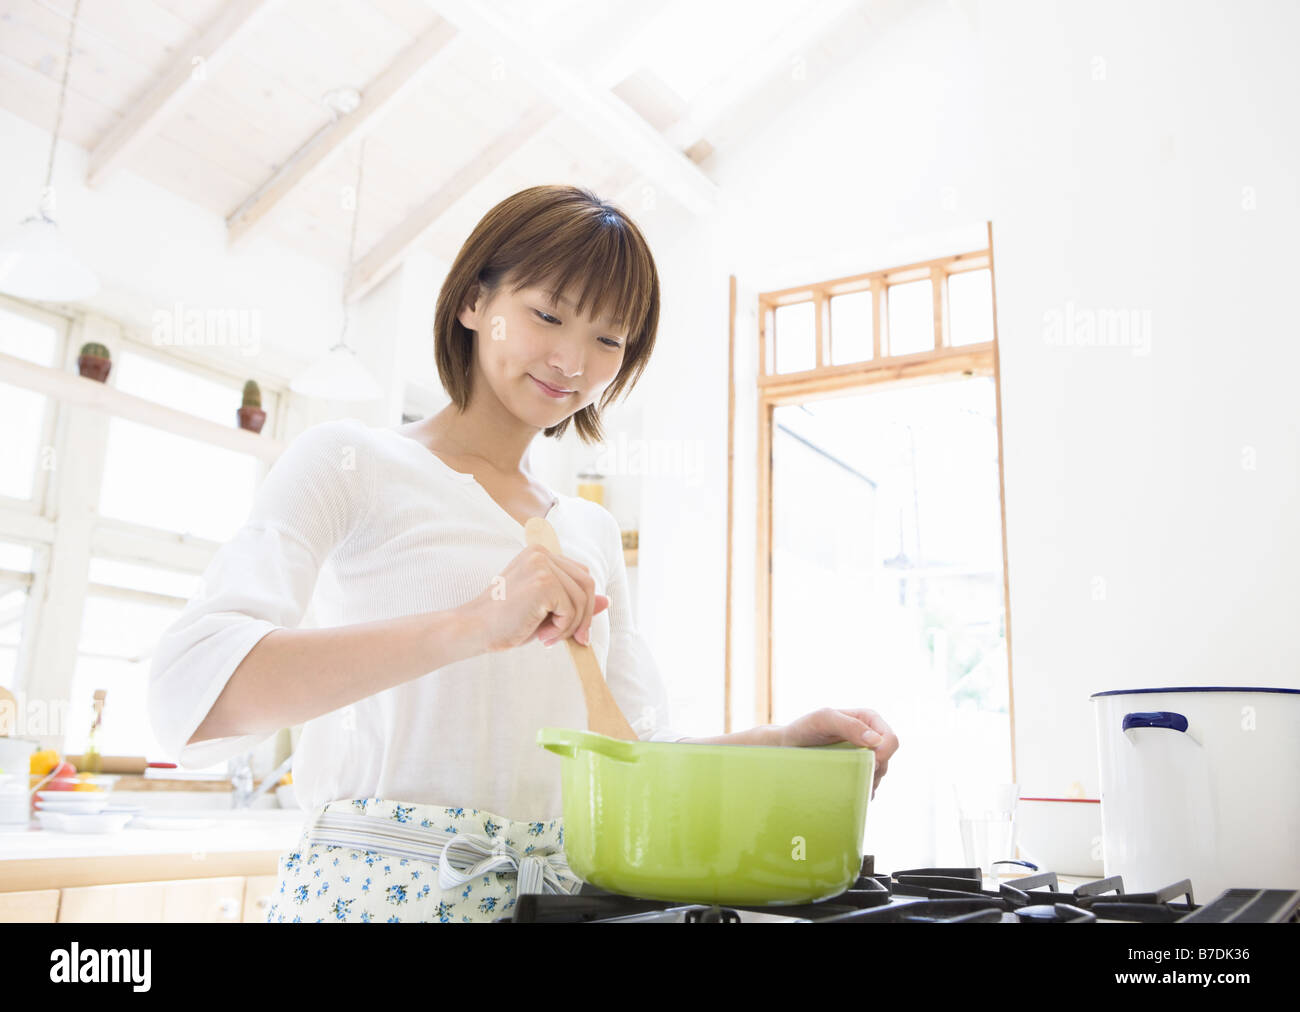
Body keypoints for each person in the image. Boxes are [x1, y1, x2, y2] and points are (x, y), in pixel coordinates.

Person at [148, 185, 899, 923]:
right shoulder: (349, 461)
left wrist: (781, 744)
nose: (573, 361)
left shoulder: (589, 531)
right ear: (475, 303)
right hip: (374, 902)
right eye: (547, 314)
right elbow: (191, 695)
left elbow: (631, 755)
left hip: (556, 904)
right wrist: (474, 623)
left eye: (609, 339)